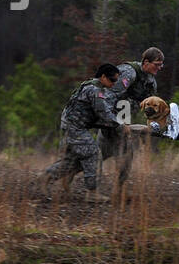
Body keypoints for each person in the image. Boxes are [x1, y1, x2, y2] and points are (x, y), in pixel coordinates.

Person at [43, 63, 123, 204]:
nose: (114, 83)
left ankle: (45, 177)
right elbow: (103, 113)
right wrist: (120, 125)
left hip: (72, 126)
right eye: (112, 80)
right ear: (103, 76)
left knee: (71, 160)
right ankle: (92, 193)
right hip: (76, 128)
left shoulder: (90, 86)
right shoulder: (95, 90)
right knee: (93, 153)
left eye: (116, 81)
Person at [100, 47, 164, 184]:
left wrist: (163, 122)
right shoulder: (129, 72)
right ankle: (114, 192)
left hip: (123, 120)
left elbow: (151, 107)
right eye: (157, 64)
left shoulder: (151, 82)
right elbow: (108, 97)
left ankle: (118, 192)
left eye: (161, 65)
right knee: (123, 154)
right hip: (112, 119)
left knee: (101, 153)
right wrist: (112, 121)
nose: (159, 68)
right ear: (146, 62)